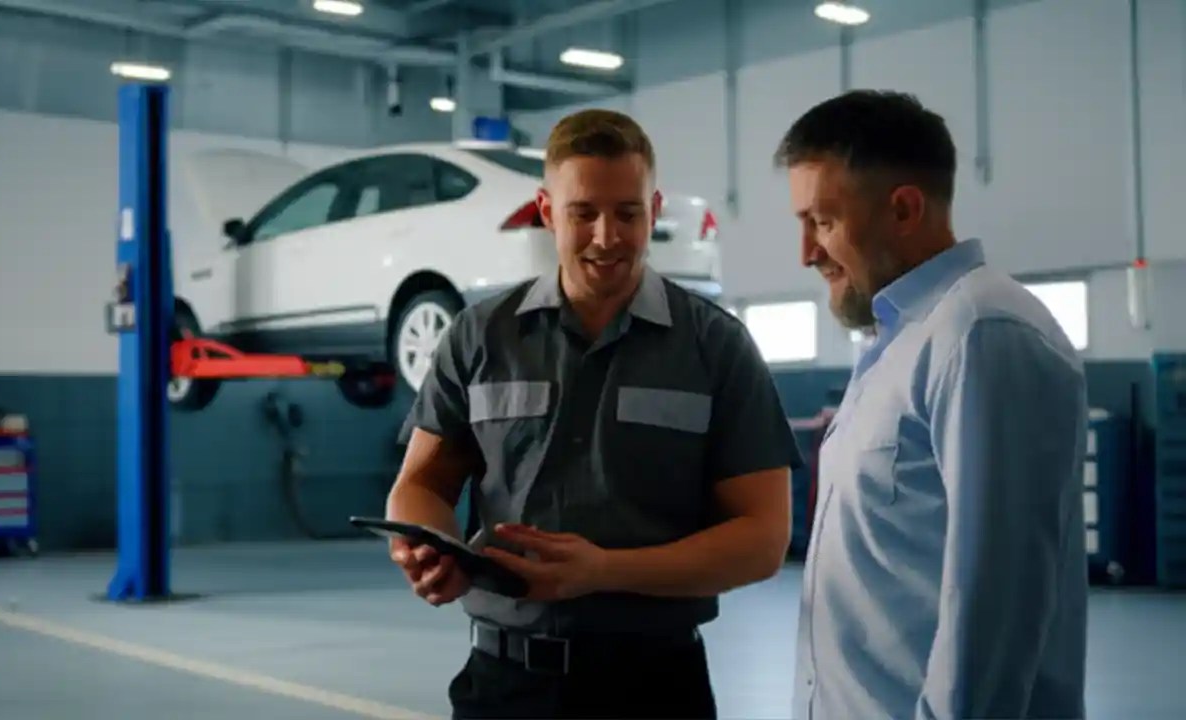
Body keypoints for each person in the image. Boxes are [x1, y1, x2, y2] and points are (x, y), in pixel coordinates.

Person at [385, 108, 804, 720]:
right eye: (583, 213)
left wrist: (605, 571)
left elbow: (763, 540)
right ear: (547, 210)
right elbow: (419, 484)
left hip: (655, 690)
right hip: (504, 689)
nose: (607, 237)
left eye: (627, 213)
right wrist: (430, 551)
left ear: (653, 210)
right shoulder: (479, 337)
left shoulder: (717, 347)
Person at [774, 89, 1090, 720]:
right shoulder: (897, 342)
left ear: (904, 209)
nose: (806, 253)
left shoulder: (980, 332)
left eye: (824, 222)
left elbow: (992, 607)